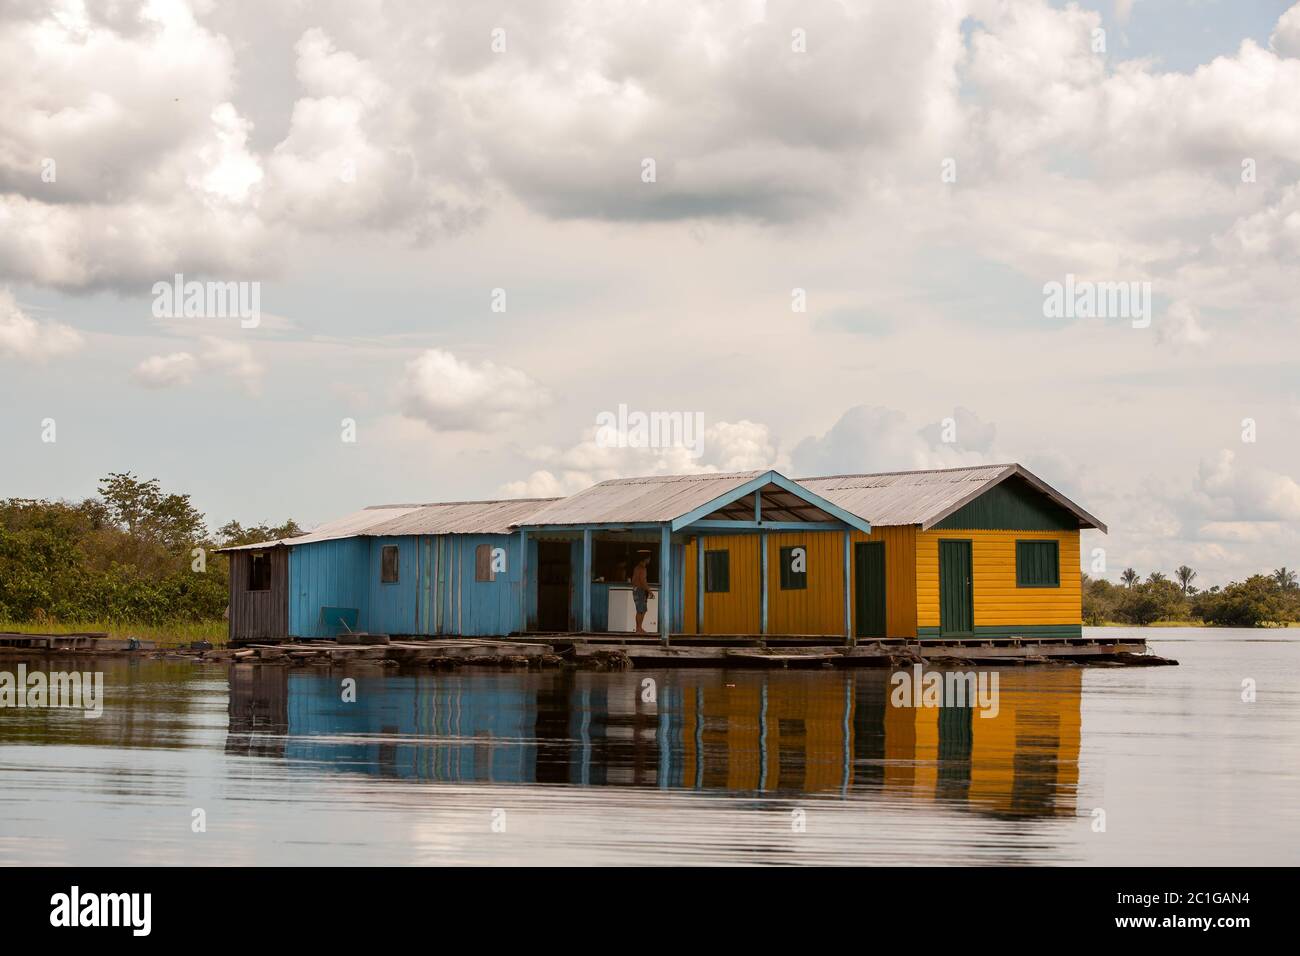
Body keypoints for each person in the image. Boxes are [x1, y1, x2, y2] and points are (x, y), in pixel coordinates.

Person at [631, 551, 654, 633]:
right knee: (641, 610)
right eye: (649, 558)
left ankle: (639, 628)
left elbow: (633, 580)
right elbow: (643, 581)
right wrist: (649, 591)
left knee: (642, 610)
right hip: (640, 591)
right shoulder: (642, 568)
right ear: (645, 559)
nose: (650, 560)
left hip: (637, 590)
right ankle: (638, 629)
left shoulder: (637, 568)